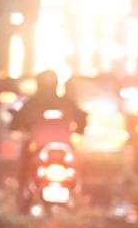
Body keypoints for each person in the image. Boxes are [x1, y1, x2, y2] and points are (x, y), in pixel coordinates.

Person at [9, 70, 87, 200]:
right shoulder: (66, 102)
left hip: (43, 148)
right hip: (59, 147)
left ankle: (22, 197)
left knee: (25, 166)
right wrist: (80, 129)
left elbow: (17, 122)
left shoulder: (33, 103)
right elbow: (82, 118)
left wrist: (16, 125)